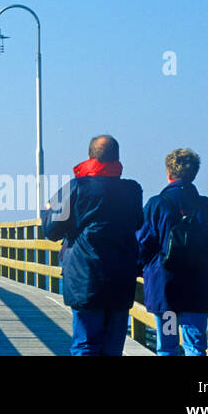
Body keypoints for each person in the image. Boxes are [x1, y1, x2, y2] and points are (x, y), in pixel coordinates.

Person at [42, 135, 143, 355]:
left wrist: (48, 210)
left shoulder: (75, 187)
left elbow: (51, 231)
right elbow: (138, 223)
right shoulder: (133, 190)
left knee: (85, 344)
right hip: (120, 278)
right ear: (117, 157)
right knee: (113, 347)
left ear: (89, 156)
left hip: (84, 277)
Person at [136, 148, 208, 356]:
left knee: (167, 346)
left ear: (169, 173)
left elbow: (141, 244)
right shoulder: (206, 206)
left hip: (167, 289)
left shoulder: (157, 205)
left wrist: (143, 271)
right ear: (194, 173)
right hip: (199, 290)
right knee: (195, 346)